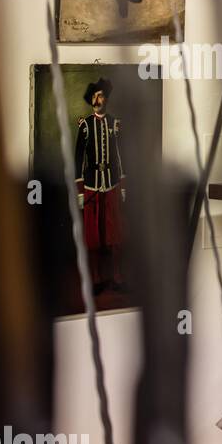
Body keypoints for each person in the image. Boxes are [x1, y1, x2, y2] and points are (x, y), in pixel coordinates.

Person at [74, 78, 125, 293]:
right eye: (94, 96)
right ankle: (95, 279)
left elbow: (120, 155)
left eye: (100, 95)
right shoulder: (85, 125)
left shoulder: (114, 123)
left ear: (106, 98)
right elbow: (78, 158)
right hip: (92, 184)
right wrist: (79, 191)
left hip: (111, 183)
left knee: (113, 233)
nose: (97, 99)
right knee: (93, 234)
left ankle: (115, 276)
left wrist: (122, 185)